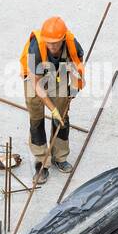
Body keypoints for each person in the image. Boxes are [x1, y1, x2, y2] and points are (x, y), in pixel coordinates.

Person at [19, 16, 85, 185]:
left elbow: (76, 68)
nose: (52, 46)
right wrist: (51, 108)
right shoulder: (36, 48)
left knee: (62, 116)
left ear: (63, 38)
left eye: (56, 42)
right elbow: (38, 86)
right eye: (49, 42)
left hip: (60, 72)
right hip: (35, 78)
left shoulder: (72, 44)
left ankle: (59, 156)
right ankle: (42, 161)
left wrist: (74, 88)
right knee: (36, 116)